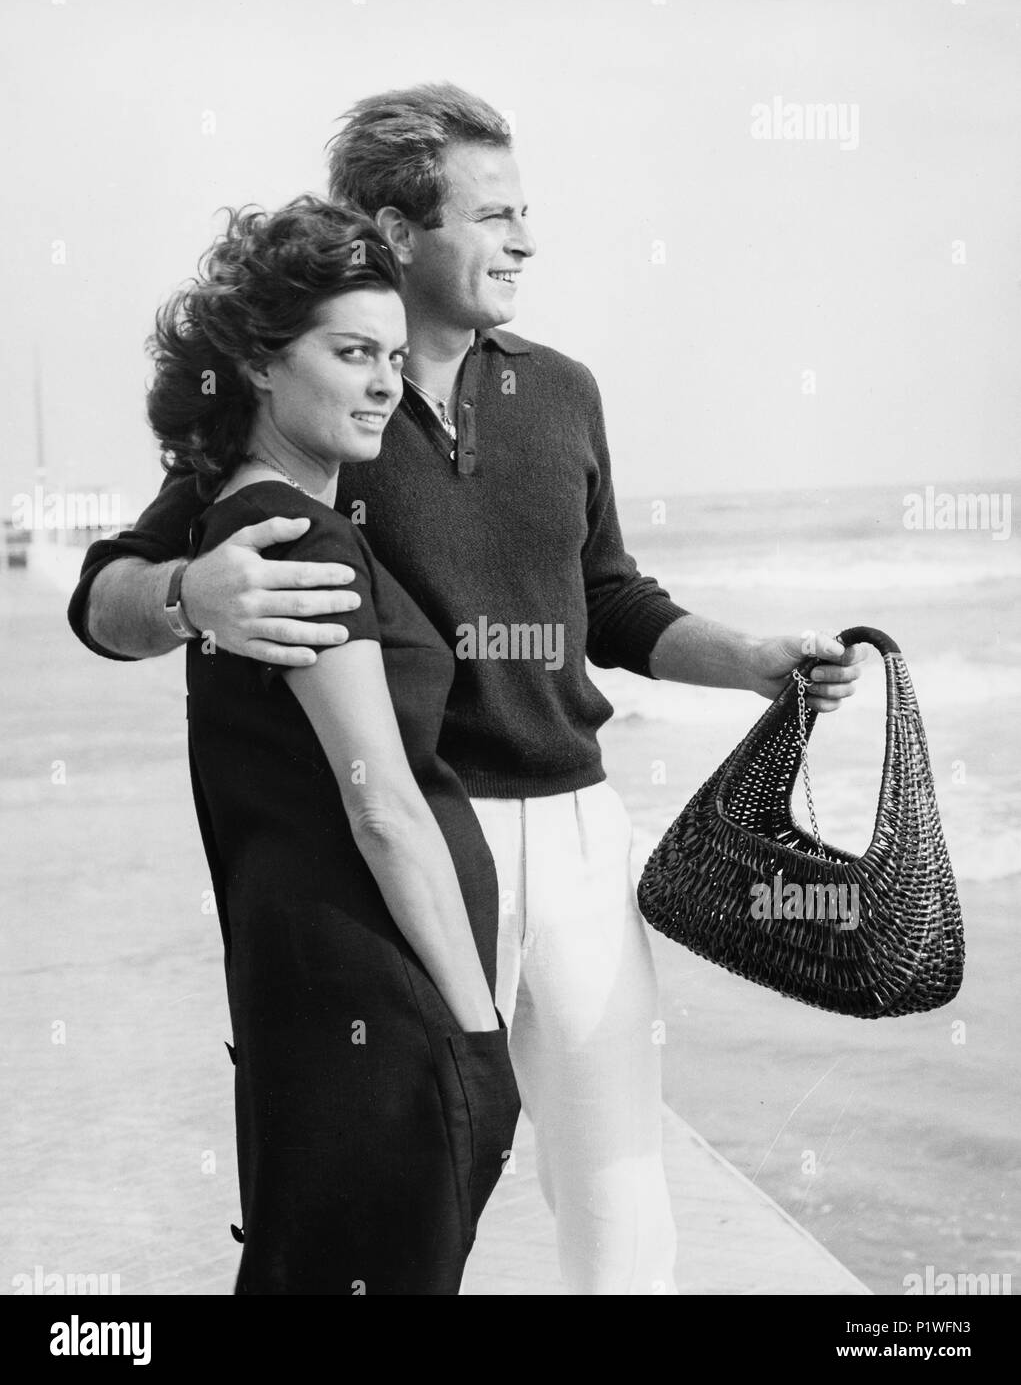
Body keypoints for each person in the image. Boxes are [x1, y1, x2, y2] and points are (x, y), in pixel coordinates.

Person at [68, 84, 863, 1296]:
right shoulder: (314, 423)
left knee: (620, 1198)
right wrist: (190, 596)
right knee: (430, 1180)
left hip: (583, 837)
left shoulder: (561, 391)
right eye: (493, 216)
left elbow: (612, 602)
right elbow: (105, 595)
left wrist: (749, 659)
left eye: (525, 212)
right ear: (395, 232)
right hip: (420, 840)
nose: (525, 243)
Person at [139, 193, 519, 1295]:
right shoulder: (297, 537)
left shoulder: (242, 521)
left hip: (316, 998)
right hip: (382, 1010)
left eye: (393, 356)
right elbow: (382, 804)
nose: (382, 383)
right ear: (258, 366)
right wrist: (479, 1031)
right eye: (351, 352)